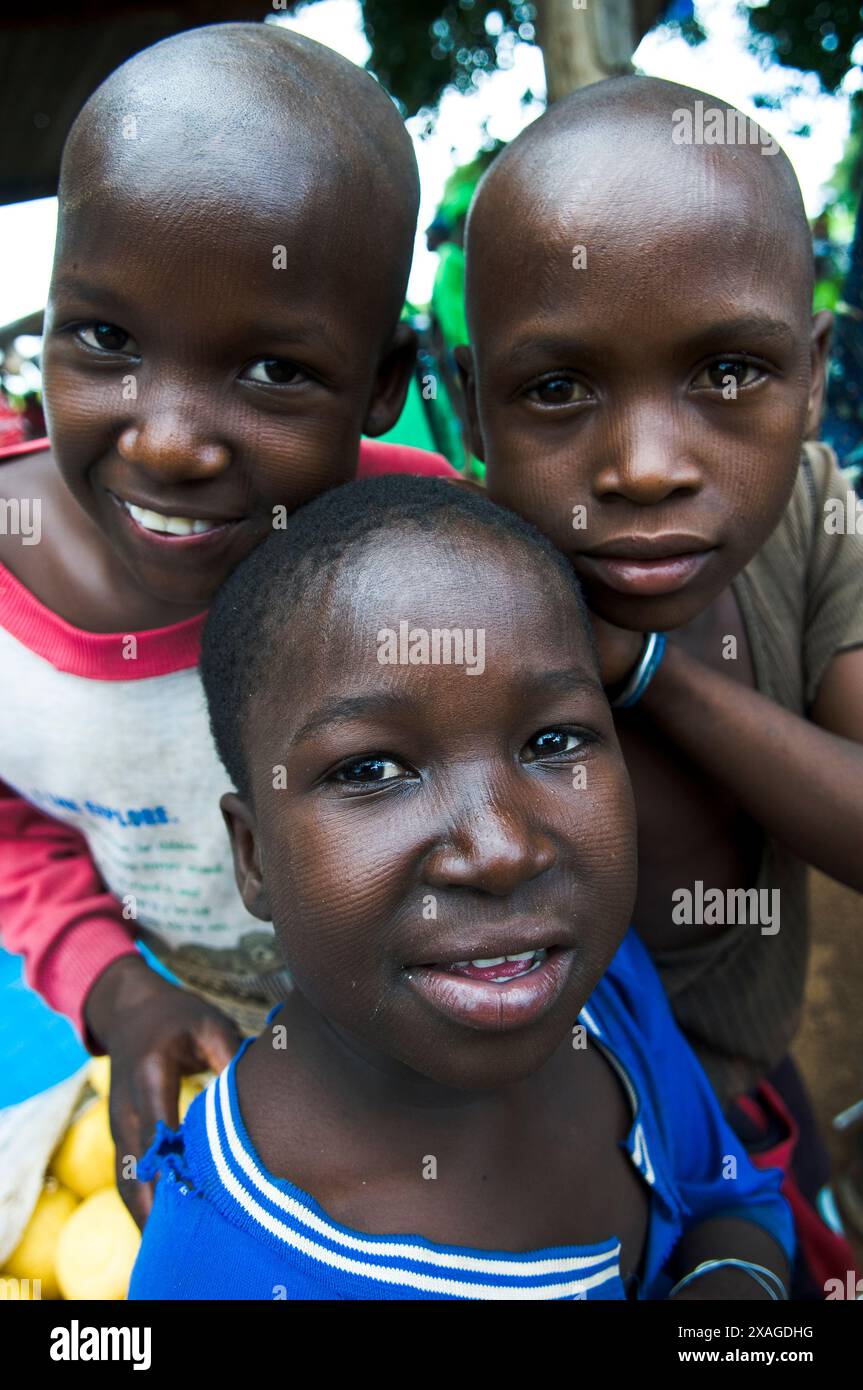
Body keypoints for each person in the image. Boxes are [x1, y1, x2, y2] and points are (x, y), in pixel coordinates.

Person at [129, 474, 792, 1301]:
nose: (502, 850)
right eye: (371, 769)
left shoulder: (597, 981)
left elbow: (730, 1195)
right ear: (255, 855)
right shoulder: (214, 1275)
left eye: (554, 740)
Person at [0, 22, 453, 1227]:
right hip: (191, 1040)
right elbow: (12, 837)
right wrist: (118, 993)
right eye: (104, 339)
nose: (167, 441)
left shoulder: (429, 560)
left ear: (380, 384)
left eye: (269, 371)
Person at [455, 76, 863, 1293]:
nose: (641, 467)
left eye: (729, 373)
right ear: (472, 399)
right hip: (526, 1159)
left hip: (743, 1091)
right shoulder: (437, 598)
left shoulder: (812, 514)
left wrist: (642, 673)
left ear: (810, 372)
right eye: (558, 388)